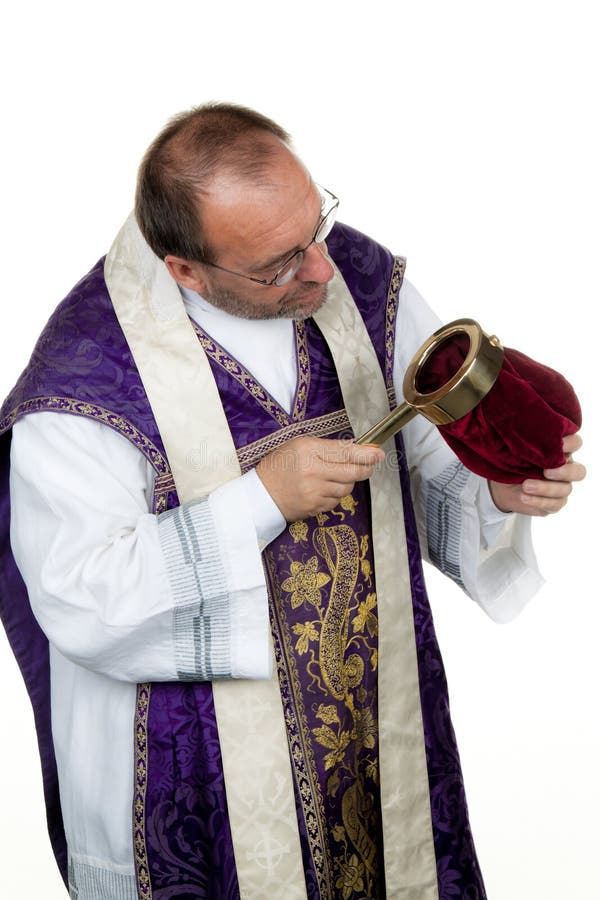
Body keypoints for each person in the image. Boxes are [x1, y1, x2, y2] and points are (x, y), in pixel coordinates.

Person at [0, 103, 585, 900]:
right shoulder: (86, 376)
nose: (321, 271)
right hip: (199, 779)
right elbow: (79, 595)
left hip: (374, 727)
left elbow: (428, 460)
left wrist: (497, 489)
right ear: (186, 270)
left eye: (318, 227)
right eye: (279, 265)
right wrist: (262, 499)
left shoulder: (354, 276)